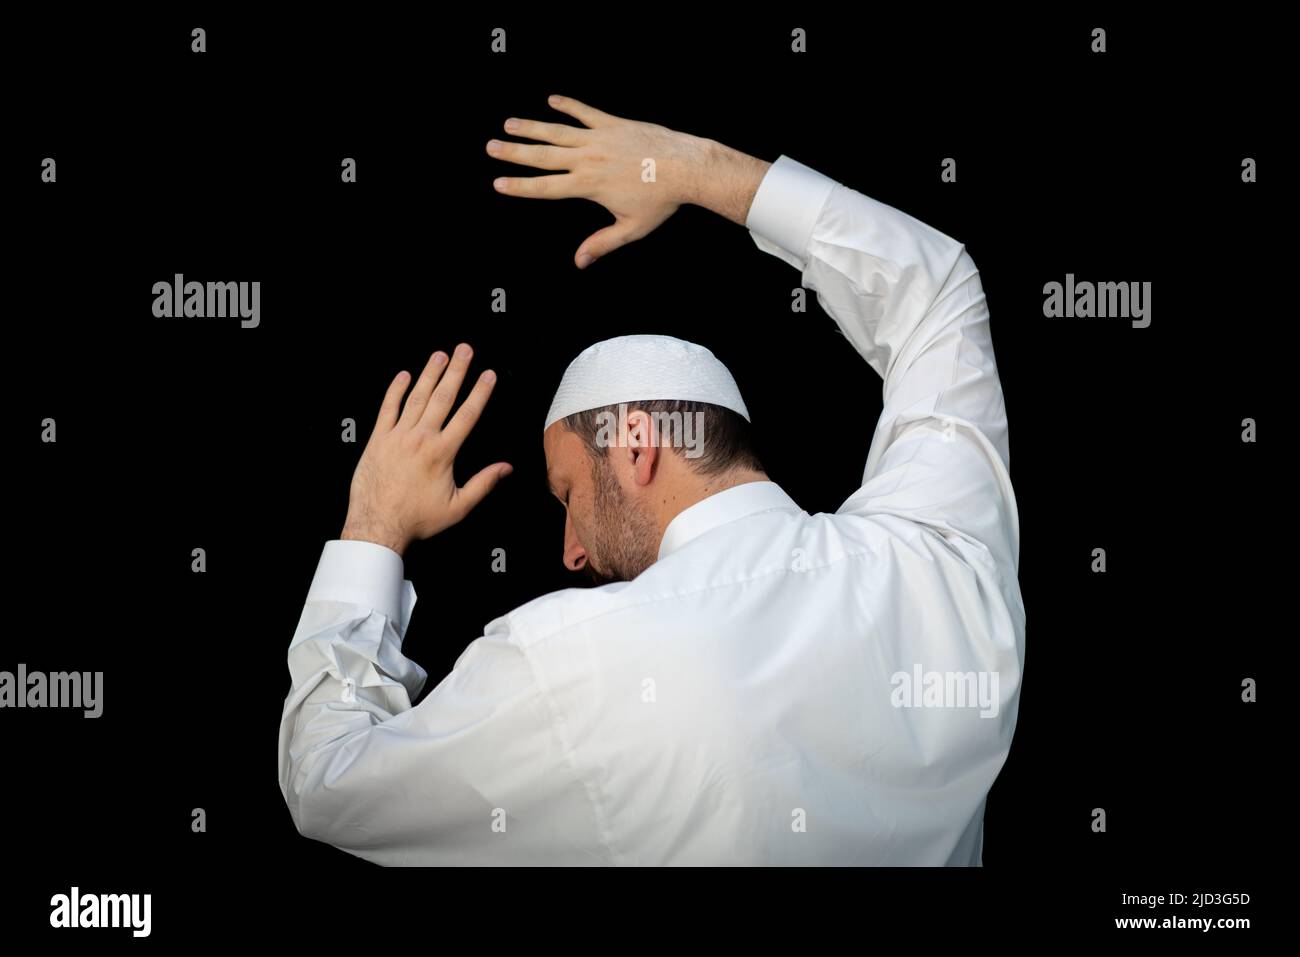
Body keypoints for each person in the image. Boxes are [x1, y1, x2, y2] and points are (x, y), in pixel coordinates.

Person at [277, 95, 1025, 865]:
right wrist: (697, 170)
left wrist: (372, 526)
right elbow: (939, 293)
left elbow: (327, 781)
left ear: (635, 443)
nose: (569, 551)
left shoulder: (569, 660)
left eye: (567, 495)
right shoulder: (941, 557)